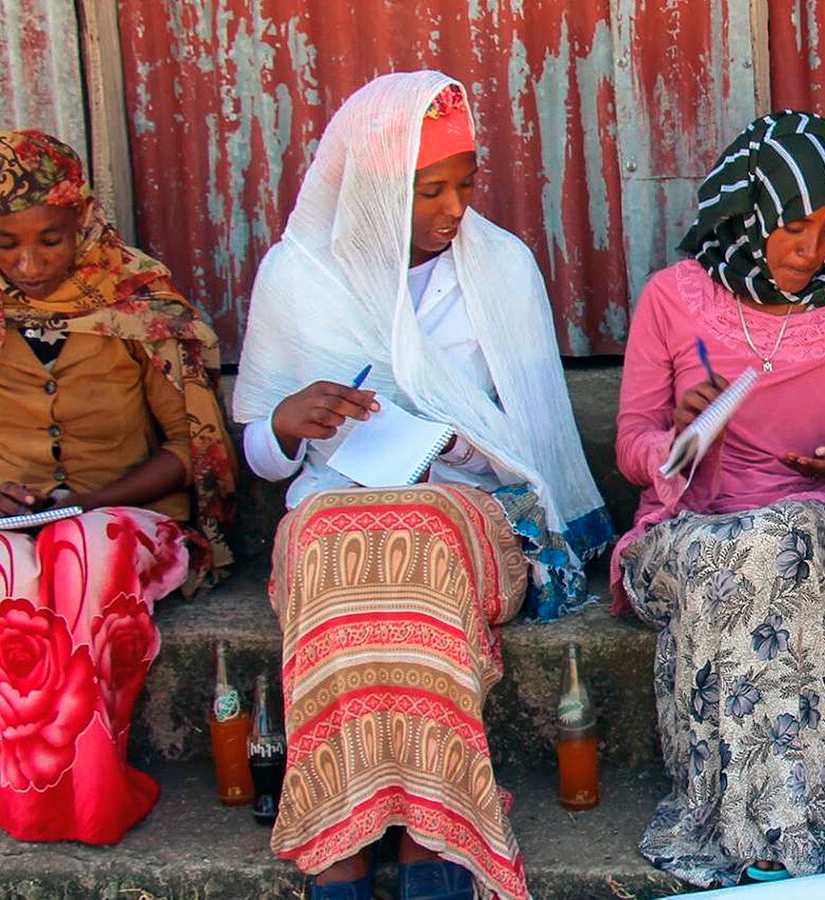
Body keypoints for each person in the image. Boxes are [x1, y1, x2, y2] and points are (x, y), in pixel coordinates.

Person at [231, 71, 611, 900]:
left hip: (468, 515)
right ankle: (348, 832)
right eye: (428, 190)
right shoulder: (299, 278)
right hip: (331, 513)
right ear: (370, 189)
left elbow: (535, 441)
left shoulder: (498, 268)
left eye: (465, 184)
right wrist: (289, 425)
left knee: (416, 535)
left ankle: (429, 832)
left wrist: (458, 444)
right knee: (345, 542)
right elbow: (261, 456)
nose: (454, 208)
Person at [0, 129, 235, 845]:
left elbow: (194, 444)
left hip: (120, 514)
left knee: (83, 550)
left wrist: (95, 503)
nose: (30, 262)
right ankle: (35, 791)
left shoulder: (141, 303)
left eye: (52, 237)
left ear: (85, 219)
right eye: (5, 242)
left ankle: (94, 791)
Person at [613, 110, 825, 887]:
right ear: (747, 216)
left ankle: (774, 812)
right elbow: (630, 443)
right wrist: (676, 441)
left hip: (813, 524)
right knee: (740, 550)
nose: (810, 252)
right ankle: (771, 809)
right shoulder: (673, 300)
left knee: (772, 539)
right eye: (791, 230)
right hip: (687, 528)